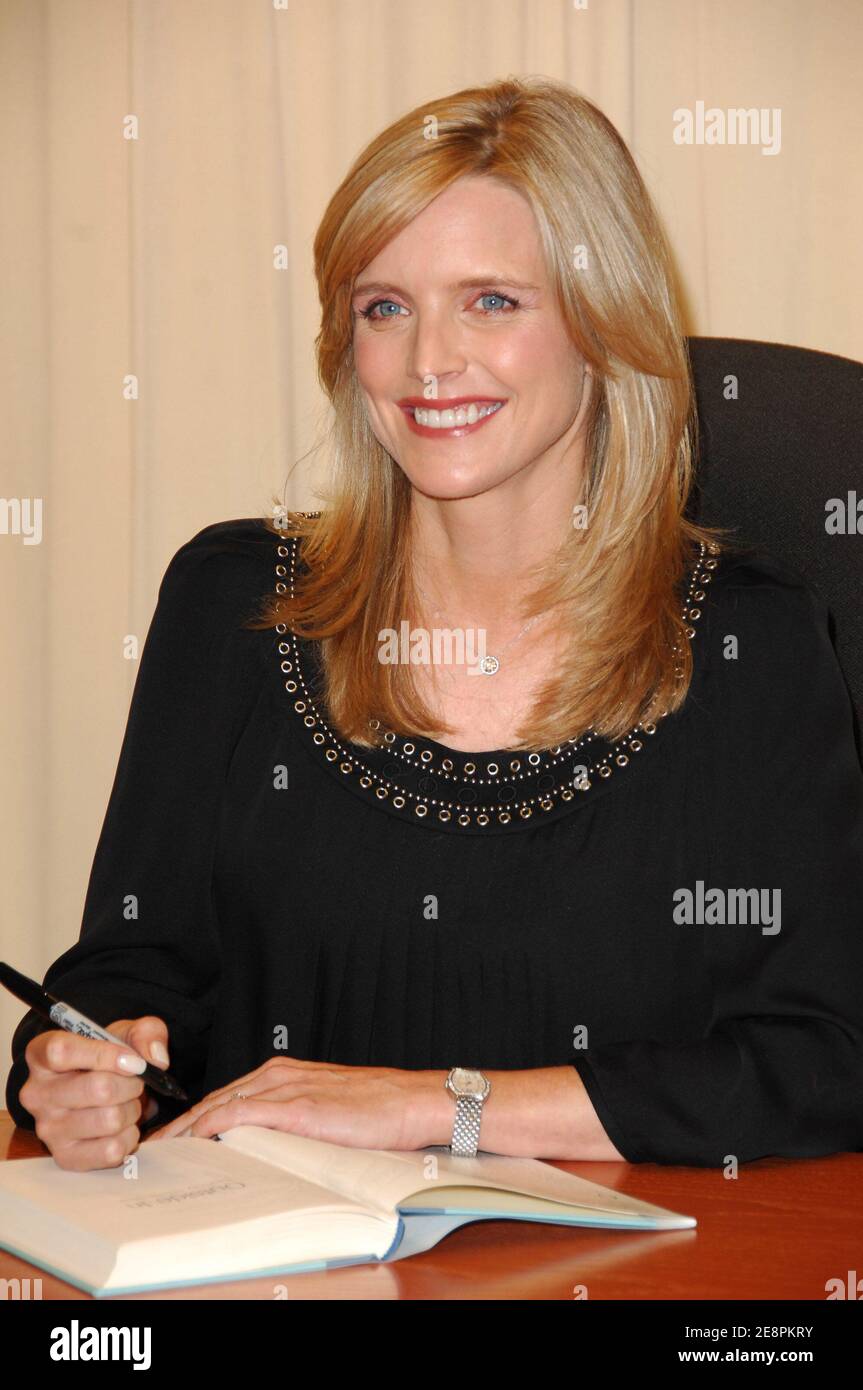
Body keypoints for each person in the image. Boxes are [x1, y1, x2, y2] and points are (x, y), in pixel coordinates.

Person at [6, 77, 863, 1173]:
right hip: (278, 1266)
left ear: (603, 327)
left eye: (491, 301)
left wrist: (434, 1107)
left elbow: (826, 1058)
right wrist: (77, 1065)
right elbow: (131, 965)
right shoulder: (235, 602)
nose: (426, 362)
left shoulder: (749, 646)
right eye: (384, 307)